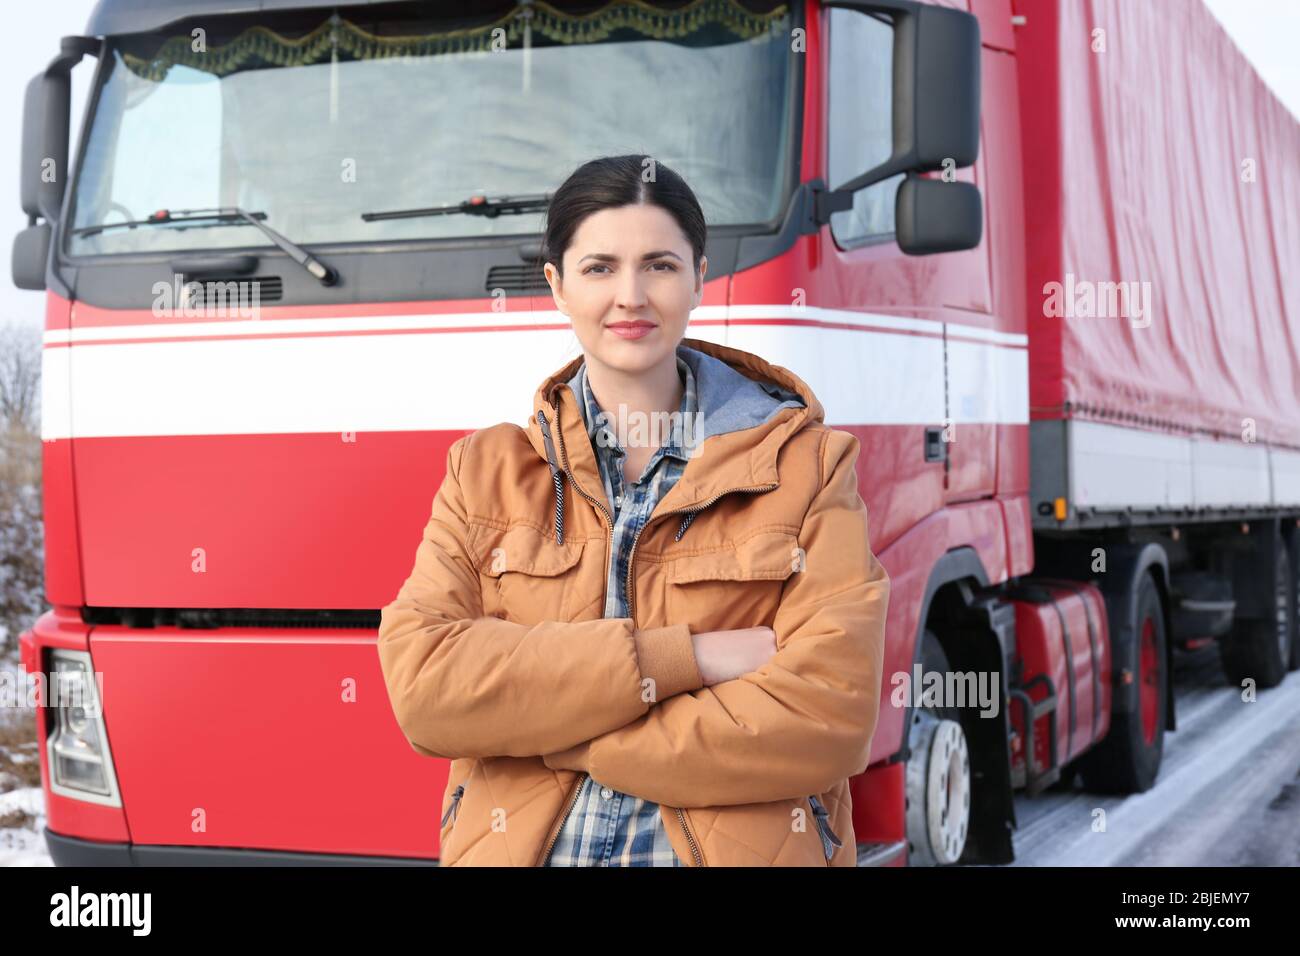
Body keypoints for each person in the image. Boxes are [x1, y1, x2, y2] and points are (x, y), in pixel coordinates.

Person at [377, 154, 890, 866]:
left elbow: (829, 714)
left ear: (699, 277)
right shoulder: (484, 472)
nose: (630, 296)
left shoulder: (807, 468)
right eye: (598, 268)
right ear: (556, 285)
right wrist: (689, 657)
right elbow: (427, 689)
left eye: (659, 265)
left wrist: (551, 727)